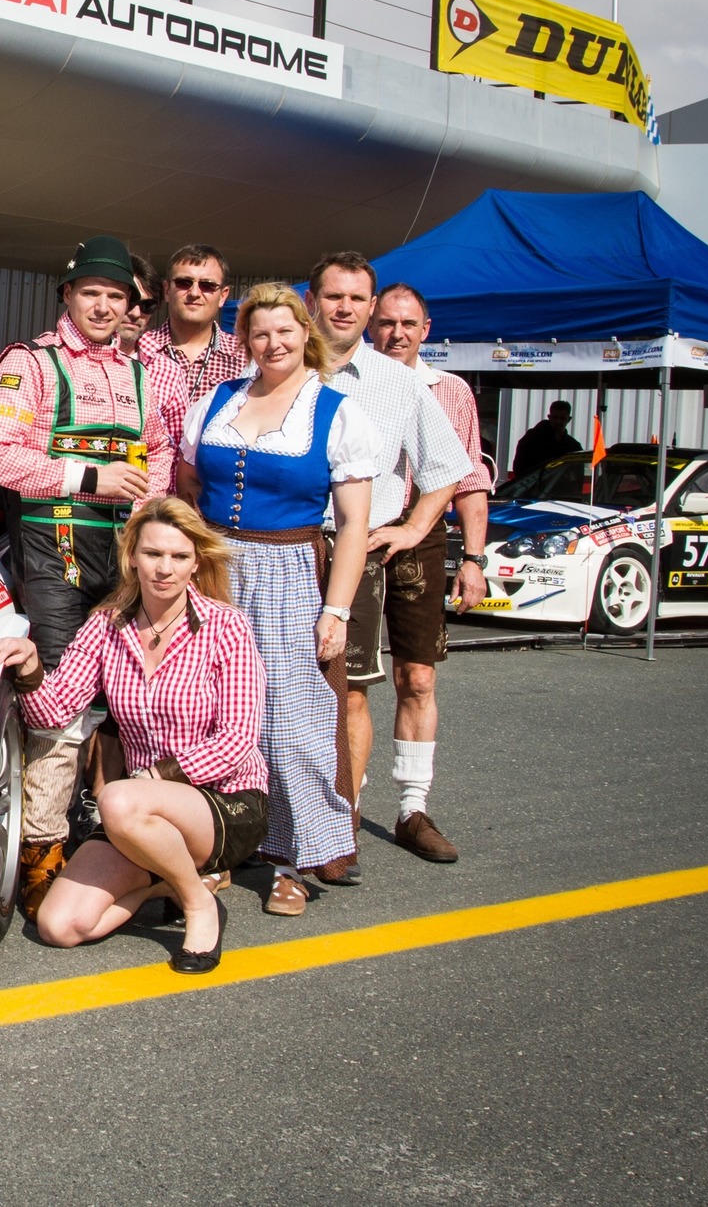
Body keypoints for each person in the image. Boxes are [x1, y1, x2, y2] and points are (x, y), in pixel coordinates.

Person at [0, 235, 174, 922]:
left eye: (117, 296)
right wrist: (91, 475)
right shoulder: (29, 362)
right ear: (67, 295)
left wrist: (151, 527)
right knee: (57, 710)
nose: (104, 306)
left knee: (131, 706)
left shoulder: (151, 373)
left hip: (128, 560)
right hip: (53, 554)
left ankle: (125, 841)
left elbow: (164, 463)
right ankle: (40, 853)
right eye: (92, 292)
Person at [0, 498, 268, 971]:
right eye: (154, 554)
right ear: (132, 555)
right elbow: (54, 713)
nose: (165, 569)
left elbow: (238, 740)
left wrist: (157, 776)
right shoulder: (106, 625)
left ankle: (198, 908)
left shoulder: (226, 627)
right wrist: (31, 666)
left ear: (197, 562)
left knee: (117, 798)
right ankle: (175, 883)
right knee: (61, 926)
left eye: (179, 557)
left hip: (224, 802)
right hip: (138, 813)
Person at [178, 283, 377, 916]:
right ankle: (217, 850)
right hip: (213, 569)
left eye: (285, 331)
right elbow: (187, 487)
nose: (274, 343)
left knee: (290, 722)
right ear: (246, 339)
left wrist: (336, 609)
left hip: (290, 571)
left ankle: (297, 859)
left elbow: (352, 525)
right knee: (208, 714)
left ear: (305, 332)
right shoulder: (215, 400)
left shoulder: (337, 411)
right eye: (260, 333)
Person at [306, 252, 472, 882]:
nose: (344, 308)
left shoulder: (402, 383)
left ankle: (347, 819)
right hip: (291, 545)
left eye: (356, 298)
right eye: (333, 296)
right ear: (313, 299)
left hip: (363, 549)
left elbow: (446, 467)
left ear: (369, 307)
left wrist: (412, 528)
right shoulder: (281, 367)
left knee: (351, 693)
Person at [366, 282, 492, 864]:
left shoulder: (451, 391)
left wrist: (473, 560)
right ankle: (341, 807)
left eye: (408, 324)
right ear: (371, 323)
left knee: (417, 677)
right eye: (387, 322)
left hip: (424, 537)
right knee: (348, 681)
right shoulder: (349, 378)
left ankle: (413, 808)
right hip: (360, 535)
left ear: (426, 329)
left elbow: (467, 481)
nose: (397, 333)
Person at [140, 244, 251, 454]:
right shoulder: (137, 351)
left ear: (223, 295)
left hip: (211, 483)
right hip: (145, 481)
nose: (194, 293)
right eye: (184, 282)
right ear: (166, 290)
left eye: (207, 285)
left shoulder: (245, 358)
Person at [512, 400, 582, 478]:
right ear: (549, 417)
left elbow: (577, 475)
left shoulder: (574, 446)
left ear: (569, 419)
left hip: (561, 489)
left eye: (562, 418)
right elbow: (519, 467)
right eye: (555, 417)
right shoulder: (532, 439)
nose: (558, 421)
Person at [118, 254, 160, 355]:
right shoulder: (75, 362)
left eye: (147, 305)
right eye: (130, 302)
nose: (136, 313)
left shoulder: (168, 368)